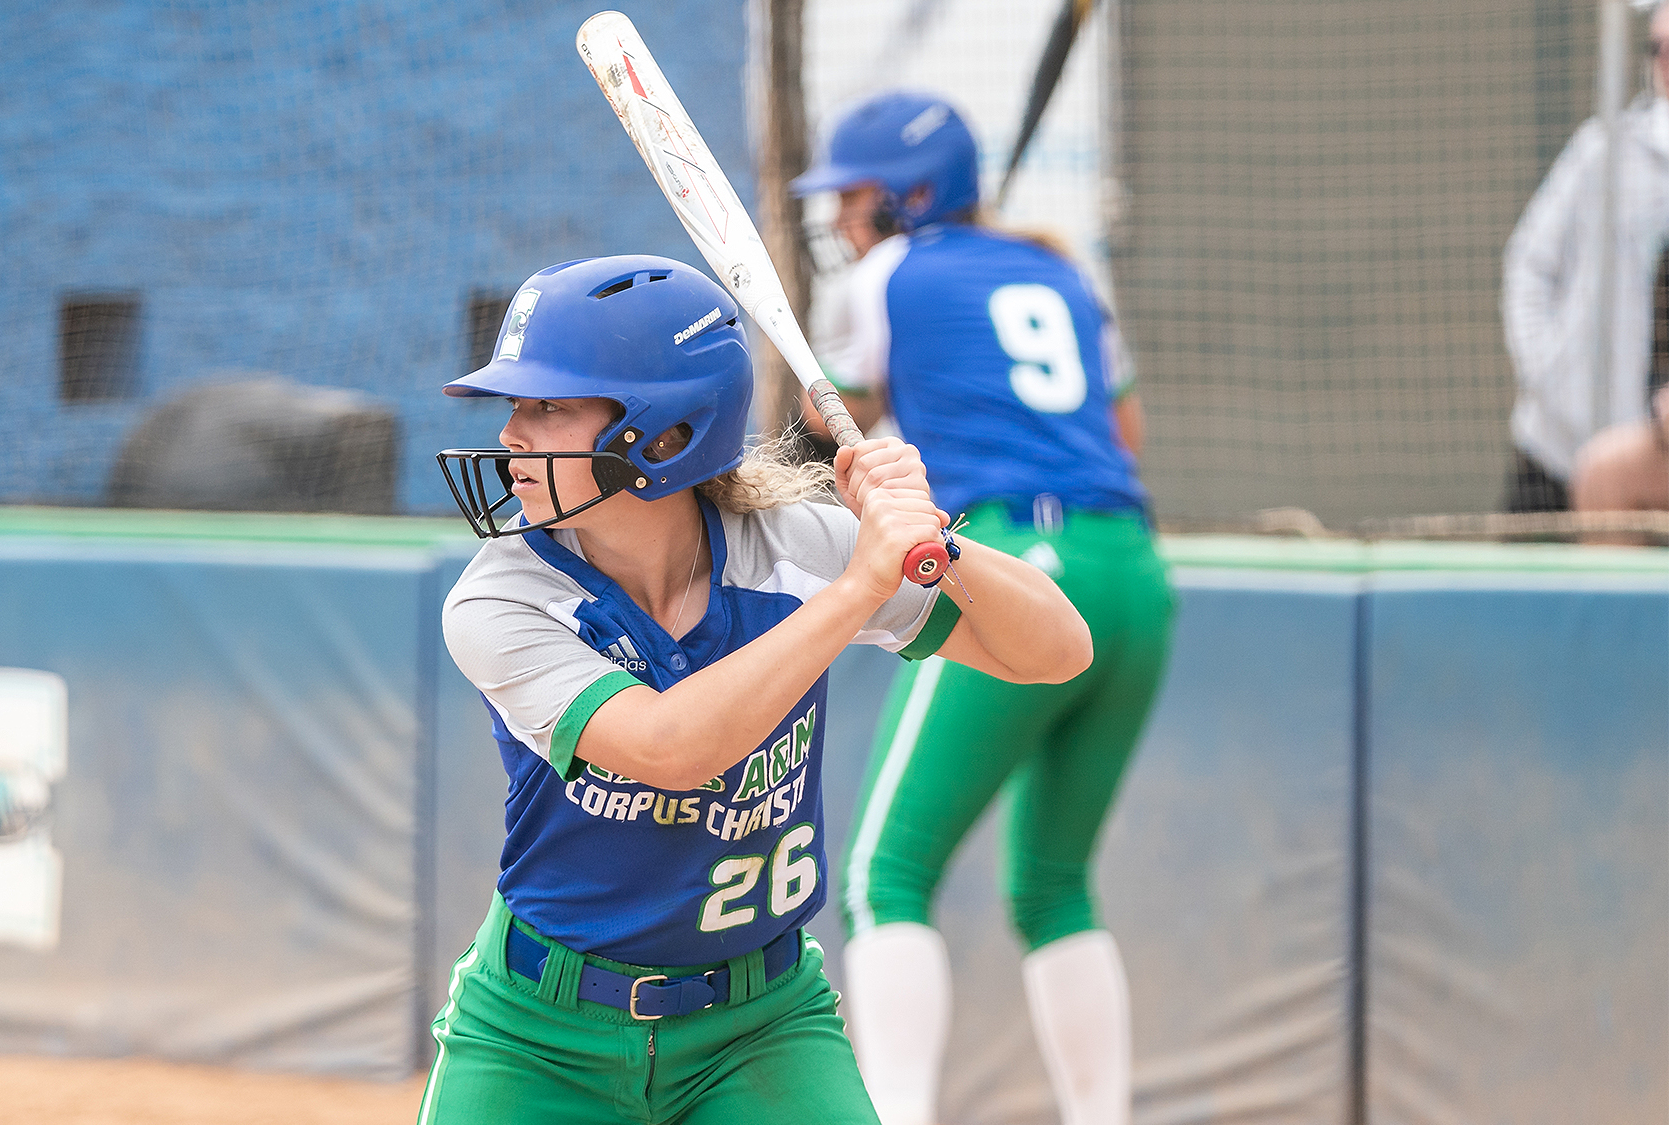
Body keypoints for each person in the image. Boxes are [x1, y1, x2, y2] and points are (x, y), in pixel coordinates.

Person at [425, 253, 1092, 1124]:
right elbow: (672, 748)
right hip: (539, 1030)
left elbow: (1056, 650)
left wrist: (937, 541)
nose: (513, 433)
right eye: (515, 405)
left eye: (549, 405)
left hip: (759, 1026)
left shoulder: (792, 547)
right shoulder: (502, 595)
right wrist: (858, 586)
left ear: (662, 435)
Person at [789, 92, 1175, 1125]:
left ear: (911, 195)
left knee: (884, 873)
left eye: (854, 196)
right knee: (1052, 883)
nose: (839, 218)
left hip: (1013, 555)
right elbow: (1122, 430)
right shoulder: (1060, 268)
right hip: (1133, 567)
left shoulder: (882, 279)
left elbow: (830, 424)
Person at [1501, 0, 1669, 515]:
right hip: (1556, 443)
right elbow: (1529, 264)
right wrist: (1548, 371)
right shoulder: (1604, 149)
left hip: (1649, 451)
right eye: (1658, 49)